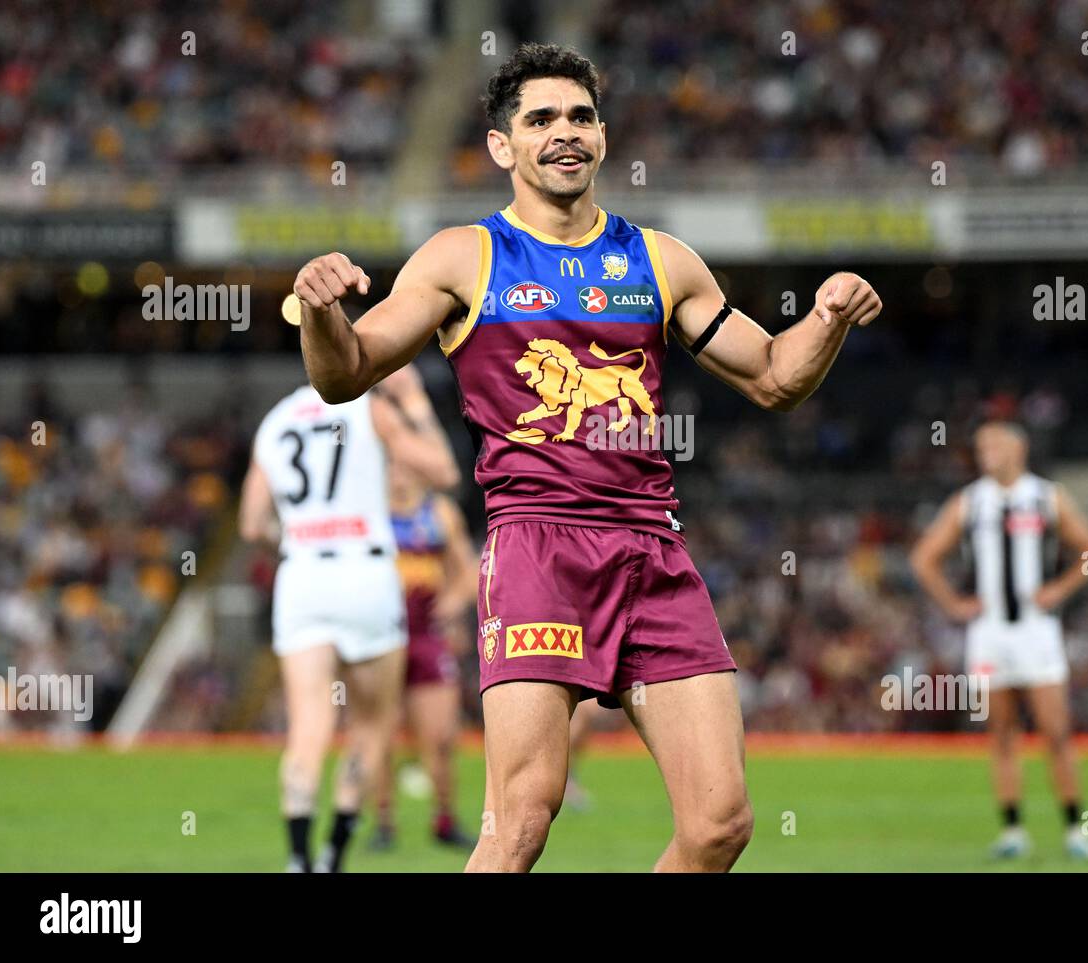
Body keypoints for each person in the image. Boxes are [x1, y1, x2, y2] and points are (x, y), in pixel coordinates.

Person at [293, 42, 882, 872]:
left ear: (602, 135)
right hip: (538, 545)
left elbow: (777, 378)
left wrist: (828, 316)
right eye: (540, 120)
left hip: (653, 549)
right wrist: (319, 312)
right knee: (523, 818)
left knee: (720, 823)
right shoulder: (465, 256)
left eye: (580, 116)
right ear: (504, 146)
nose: (564, 133)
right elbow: (346, 373)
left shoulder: (661, 260)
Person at [240, 366, 459, 872]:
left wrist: (302, 534)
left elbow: (253, 524)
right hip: (365, 573)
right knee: (371, 723)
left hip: (302, 578)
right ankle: (334, 855)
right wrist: (418, 403)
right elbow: (444, 471)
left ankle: (297, 858)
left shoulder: (275, 421)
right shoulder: (369, 408)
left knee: (308, 726)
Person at [909, 421, 1088, 860]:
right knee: (1001, 734)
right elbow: (924, 558)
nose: (986, 452)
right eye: (981, 445)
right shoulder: (971, 502)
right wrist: (954, 604)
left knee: (1056, 732)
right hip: (990, 633)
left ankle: (1076, 828)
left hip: (1037, 631)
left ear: (1019, 448)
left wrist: (1062, 588)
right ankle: (1013, 830)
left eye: (994, 444)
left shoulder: (1046, 496)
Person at [370, 461, 479, 850]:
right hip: (382, 635)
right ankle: (383, 824)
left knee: (442, 735)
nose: (398, 471)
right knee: (380, 734)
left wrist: (451, 605)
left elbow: (468, 570)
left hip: (427, 635)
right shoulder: (370, 510)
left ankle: (445, 820)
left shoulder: (439, 513)